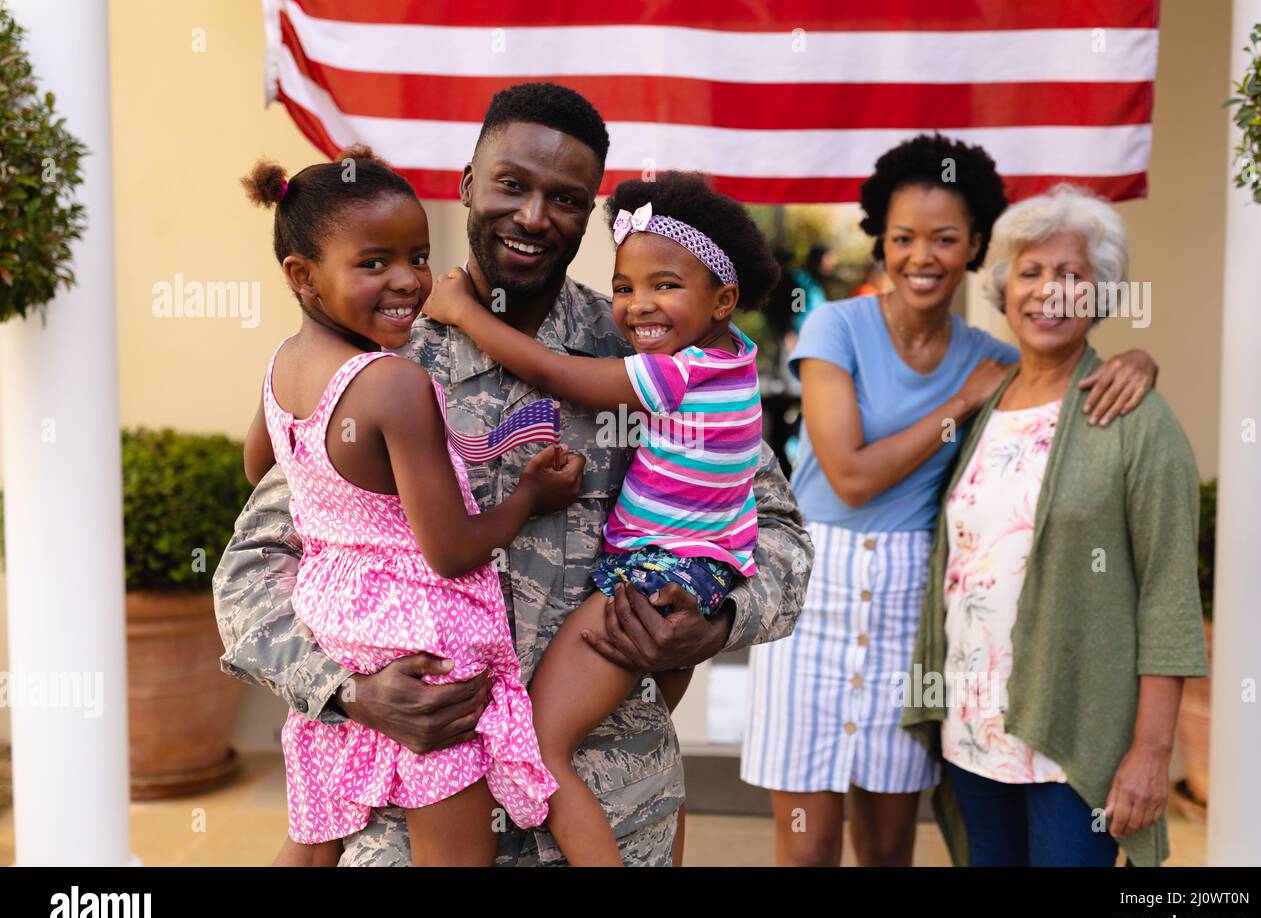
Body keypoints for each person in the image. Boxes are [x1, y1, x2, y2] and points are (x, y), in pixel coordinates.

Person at [212, 82, 814, 867]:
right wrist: (348, 692)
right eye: (511, 184)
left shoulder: (648, 344)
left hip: (611, 809)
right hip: (411, 817)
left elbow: (777, 534)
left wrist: (719, 620)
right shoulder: (377, 359)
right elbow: (251, 570)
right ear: (466, 184)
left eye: (566, 198)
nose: (534, 216)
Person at [741, 133, 1159, 867]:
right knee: (805, 848)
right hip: (814, 591)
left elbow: (1061, 368)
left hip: (912, 600)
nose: (921, 256)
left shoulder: (992, 356)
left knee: (889, 845)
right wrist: (960, 404)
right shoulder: (837, 327)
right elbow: (850, 475)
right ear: (881, 240)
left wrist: (1138, 358)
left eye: (944, 238)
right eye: (902, 238)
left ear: (972, 246)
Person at [237, 146, 585, 866]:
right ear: (302, 276)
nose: (407, 280)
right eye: (374, 264)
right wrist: (527, 497)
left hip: (339, 625)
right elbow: (452, 549)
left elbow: (257, 464)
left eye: (418, 256)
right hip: (423, 640)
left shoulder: (282, 366)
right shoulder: (393, 384)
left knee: (315, 836)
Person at [422, 171, 780, 865]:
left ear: (724, 299)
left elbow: (559, 375)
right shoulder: (732, 363)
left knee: (544, 747)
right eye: (624, 287)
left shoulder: (674, 371)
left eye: (664, 286)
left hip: (647, 581)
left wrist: (465, 314)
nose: (638, 305)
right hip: (692, 573)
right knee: (612, 728)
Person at [902, 185, 1207, 867]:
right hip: (974, 732)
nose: (1048, 291)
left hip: (1072, 743)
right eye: (1031, 273)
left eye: (1071, 274)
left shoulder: (1138, 420)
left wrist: (1152, 752)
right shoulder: (986, 405)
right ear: (1006, 290)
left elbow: (1168, 596)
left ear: (1100, 295)